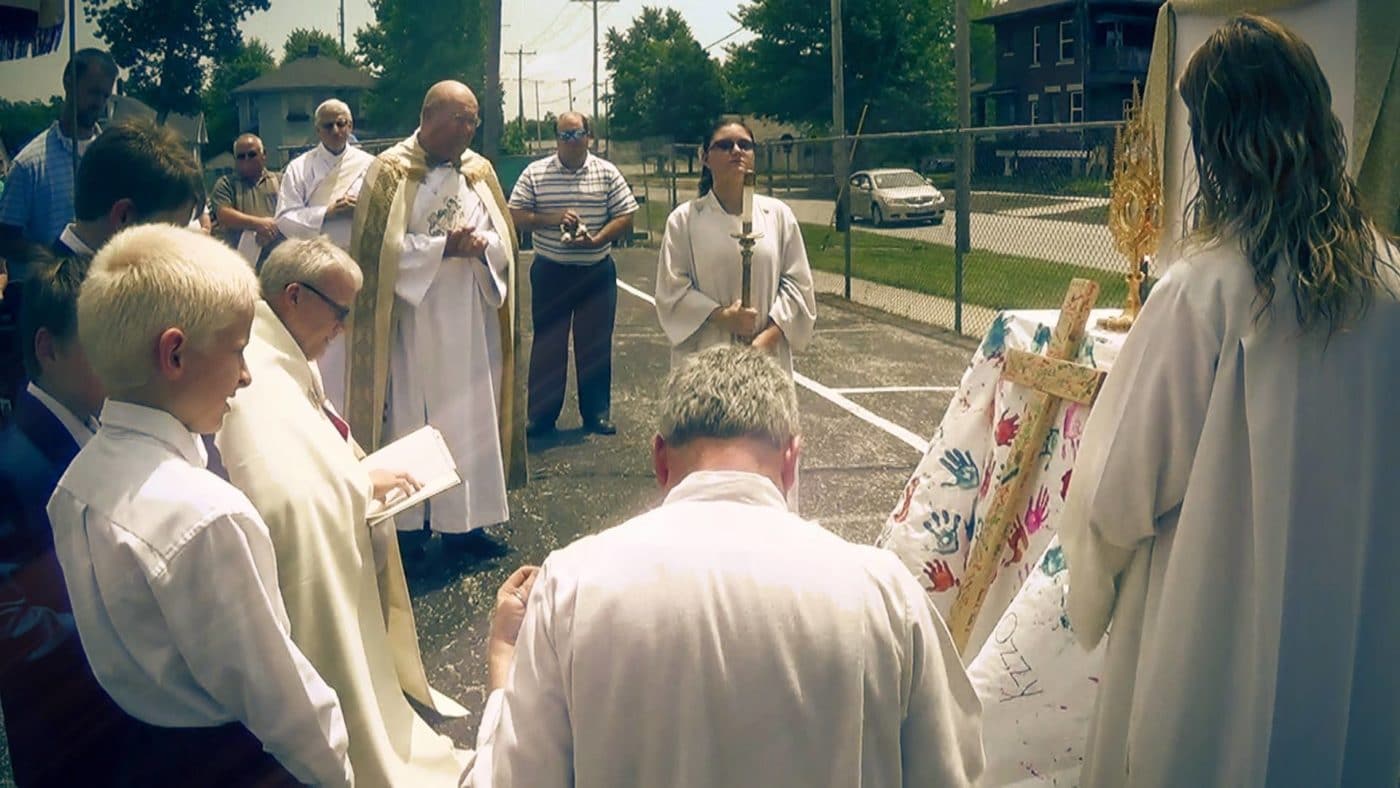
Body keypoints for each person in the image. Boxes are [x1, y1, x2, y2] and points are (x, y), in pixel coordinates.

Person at [1060, 15, 1400, 787]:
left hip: (1210, 634)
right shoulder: (1392, 289)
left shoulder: (1203, 291)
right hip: (1356, 630)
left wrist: (1091, 590)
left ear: (1216, 144)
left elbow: (1119, 492)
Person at [466, 345, 985, 787]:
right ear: (791, 460)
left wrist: (504, 662)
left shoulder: (572, 586)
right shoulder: (884, 592)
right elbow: (952, 769)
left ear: (660, 459)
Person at [47, 224, 354, 786]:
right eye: (237, 348)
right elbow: (281, 701)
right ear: (175, 353)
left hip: (141, 751)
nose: (245, 375)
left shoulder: (75, 482)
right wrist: (336, 772)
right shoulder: (209, 515)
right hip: (230, 763)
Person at [215, 237, 468, 786]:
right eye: (340, 312)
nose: (344, 328)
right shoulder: (256, 366)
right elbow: (287, 497)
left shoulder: (278, 347)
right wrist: (358, 483)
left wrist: (357, 476)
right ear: (294, 298)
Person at [348, 80, 526, 559]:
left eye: (473, 121)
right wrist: (440, 248)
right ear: (428, 116)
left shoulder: (479, 171)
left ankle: (467, 525)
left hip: (469, 318)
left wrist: (481, 246)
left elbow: (504, 239)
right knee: (411, 418)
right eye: (458, 120)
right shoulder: (390, 172)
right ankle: (408, 530)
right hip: (413, 322)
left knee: (469, 419)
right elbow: (374, 252)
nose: (467, 130)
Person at [0, 254, 134, 787]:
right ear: (47, 348)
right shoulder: (13, 465)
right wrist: (128, 626)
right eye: (98, 343)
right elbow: (9, 622)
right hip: (66, 730)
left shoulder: (101, 419)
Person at [508, 112, 638, 437]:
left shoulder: (607, 173)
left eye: (576, 133)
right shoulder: (535, 173)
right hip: (551, 270)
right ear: (556, 139)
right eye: (564, 135)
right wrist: (552, 219)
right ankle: (541, 416)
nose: (571, 140)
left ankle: (596, 414)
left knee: (594, 345)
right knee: (548, 344)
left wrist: (597, 238)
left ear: (589, 137)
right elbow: (516, 215)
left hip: (596, 270)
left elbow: (625, 215)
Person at [655, 120, 817, 377]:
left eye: (745, 144)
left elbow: (798, 285)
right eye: (725, 145)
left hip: (766, 357)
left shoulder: (778, 215)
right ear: (705, 157)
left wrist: (768, 337)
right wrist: (722, 316)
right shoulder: (684, 220)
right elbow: (672, 289)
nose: (736, 150)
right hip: (705, 355)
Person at [276, 98, 374, 413]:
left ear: (351, 126)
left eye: (342, 123)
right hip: (316, 274)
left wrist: (363, 210)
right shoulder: (299, 167)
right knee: (324, 348)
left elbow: (387, 213)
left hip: (361, 266)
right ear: (317, 129)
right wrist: (328, 212)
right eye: (329, 125)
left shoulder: (371, 165)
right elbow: (285, 219)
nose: (336, 130)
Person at [0, 47, 117, 273]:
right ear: (69, 83)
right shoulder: (30, 164)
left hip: (101, 289)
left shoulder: (113, 157)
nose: (99, 103)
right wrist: (54, 259)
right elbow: (4, 238)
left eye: (105, 95)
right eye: (93, 92)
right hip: (47, 297)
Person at [51, 120, 203, 261]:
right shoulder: (83, 289)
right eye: (173, 235)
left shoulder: (46, 279)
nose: (181, 250)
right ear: (124, 217)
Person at [210, 133, 282, 266]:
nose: (246, 160)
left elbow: (292, 213)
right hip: (239, 263)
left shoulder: (280, 180)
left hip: (277, 262)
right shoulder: (226, 184)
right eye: (241, 156)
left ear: (264, 154)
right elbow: (224, 215)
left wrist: (270, 230)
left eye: (252, 154)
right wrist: (259, 225)